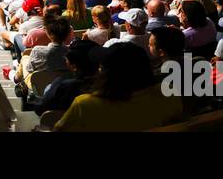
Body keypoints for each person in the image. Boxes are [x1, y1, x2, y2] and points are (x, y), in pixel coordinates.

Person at [54, 43, 182, 132]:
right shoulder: (167, 91)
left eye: (102, 65)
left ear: (105, 72)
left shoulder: (84, 104)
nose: (99, 68)